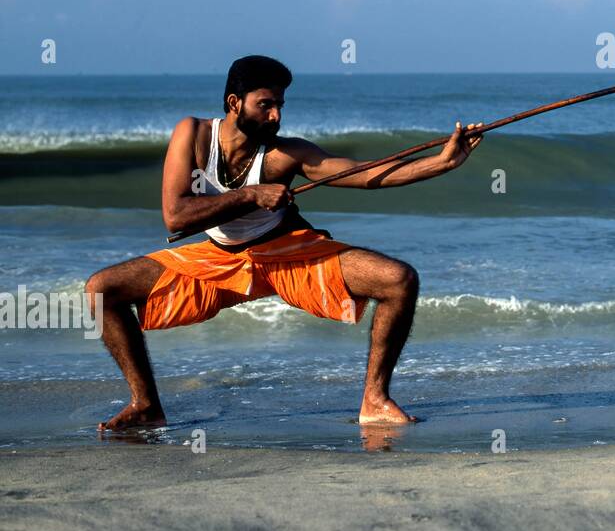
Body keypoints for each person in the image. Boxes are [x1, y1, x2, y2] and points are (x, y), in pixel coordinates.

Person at [85, 55, 482, 431]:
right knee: (101, 289)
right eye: (266, 104)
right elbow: (176, 214)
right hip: (215, 260)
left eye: (280, 104)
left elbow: (364, 174)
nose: (276, 115)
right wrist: (251, 195)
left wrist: (443, 162)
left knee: (398, 280)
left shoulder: (286, 153)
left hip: (286, 252)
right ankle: (146, 406)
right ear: (234, 103)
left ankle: (375, 401)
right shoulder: (192, 133)